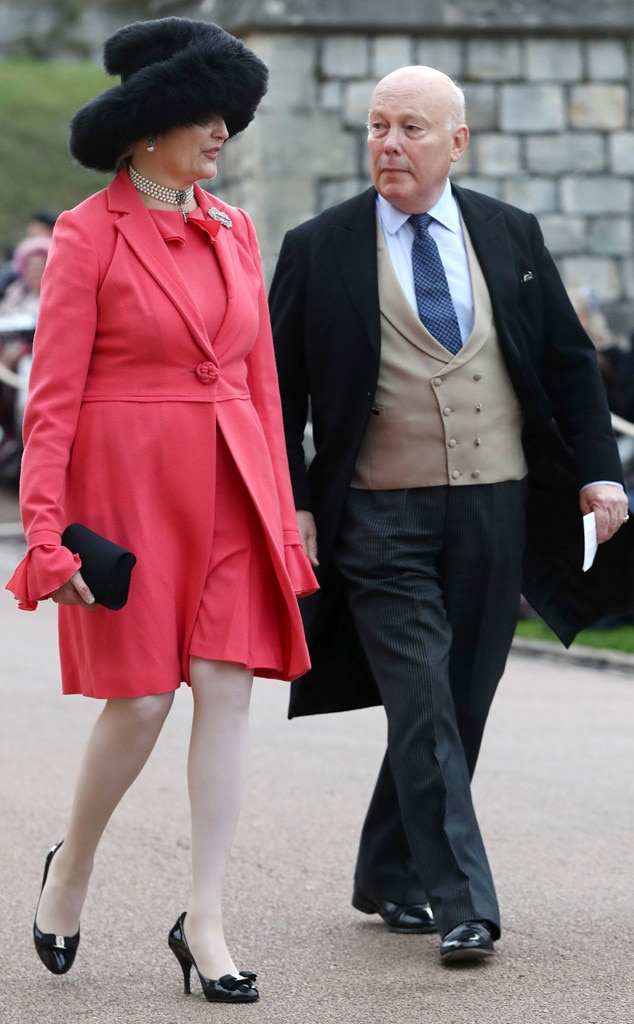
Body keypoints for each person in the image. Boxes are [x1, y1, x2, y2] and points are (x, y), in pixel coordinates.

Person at [269, 65, 631, 965]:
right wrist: (298, 503)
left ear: (456, 142)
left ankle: (384, 869)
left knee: (461, 700)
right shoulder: (319, 248)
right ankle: (463, 901)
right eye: (378, 126)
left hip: (496, 508)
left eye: (412, 128)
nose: (390, 143)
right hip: (378, 518)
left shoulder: (510, 233)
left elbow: (568, 364)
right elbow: (276, 396)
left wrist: (602, 474)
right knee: (424, 696)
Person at [6, 17, 317, 1005]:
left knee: (227, 688)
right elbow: (50, 398)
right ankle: (73, 870)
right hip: (130, 494)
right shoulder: (87, 236)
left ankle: (207, 919)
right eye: (203, 114)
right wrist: (45, 530)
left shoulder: (234, 227)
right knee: (140, 701)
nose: (223, 130)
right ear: (147, 129)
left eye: (229, 113)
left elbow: (260, 381)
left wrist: (286, 502)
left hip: (231, 488)